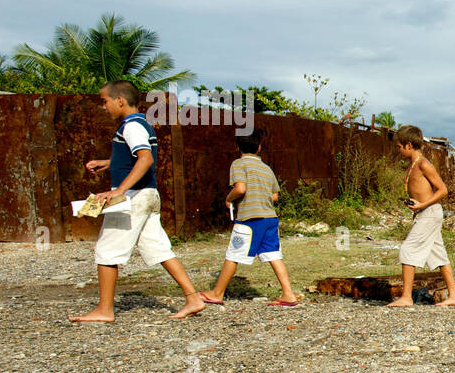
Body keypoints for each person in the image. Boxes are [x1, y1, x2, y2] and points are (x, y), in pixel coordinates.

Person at [70, 81, 205, 322]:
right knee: (159, 248)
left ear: (120, 100)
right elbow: (137, 157)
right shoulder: (140, 124)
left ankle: (104, 309)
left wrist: (117, 191)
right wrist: (108, 162)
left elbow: (145, 159)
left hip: (133, 197)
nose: (103, 107)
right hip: (146, 196)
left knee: (107, 250)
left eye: (105, 101)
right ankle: (193, 298)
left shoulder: (131, 126)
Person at [198, 132, 300, 307]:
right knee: (274, 255)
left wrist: (229, 199)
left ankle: (216, 293)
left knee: (233, 255)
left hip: (250, 219)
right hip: (270, 218)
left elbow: (240, 188)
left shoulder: (238, 164)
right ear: (259, 147)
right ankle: (288, 293)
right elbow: (274, 196)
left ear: (237, 147)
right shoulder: (266, 168)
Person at [388, 126, 455, 308]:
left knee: (407, 249)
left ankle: (406, 297)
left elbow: (443, 190)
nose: (397, 150)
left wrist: (422, 204)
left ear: (408, 145)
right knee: (438, 255)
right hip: (424, 213)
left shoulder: (423, 164)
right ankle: (454, 295)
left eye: (399, 146)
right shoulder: (412, 165)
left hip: (429, 213)